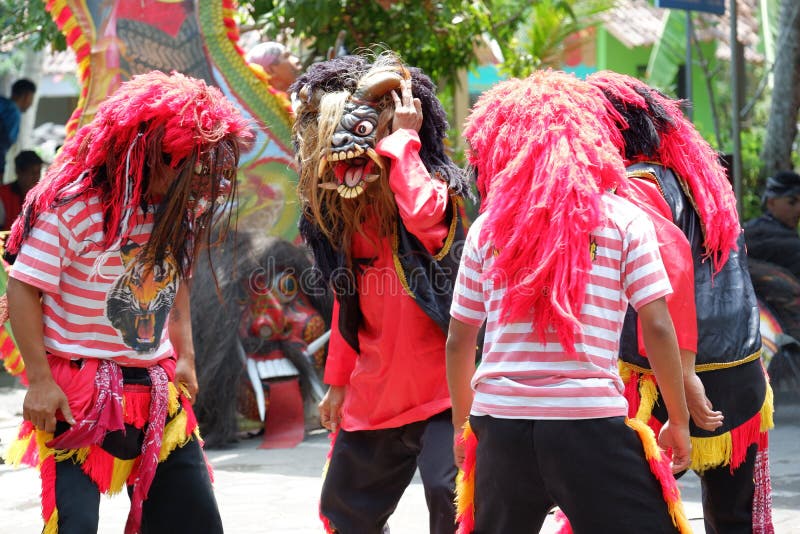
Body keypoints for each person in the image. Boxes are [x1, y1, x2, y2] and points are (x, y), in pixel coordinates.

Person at [3, 70, 251, 534]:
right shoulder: (72, 206)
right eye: (186, 166)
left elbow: (175, 283)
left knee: (196, 522)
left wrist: (186, 357)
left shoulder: (177, 212)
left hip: (158, 394)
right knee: (74, 526)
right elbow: (23, 286)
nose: (198, 183)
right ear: (144, 152)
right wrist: (38, 380)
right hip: (77, 395)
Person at [446, 70, 692, 534]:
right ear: (593, 136)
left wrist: (464, 425)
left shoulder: (486, 228)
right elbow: (657, 326)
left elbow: (460, 340)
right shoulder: (623, 220)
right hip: (589, 424)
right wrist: (677, 420)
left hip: (499, 422)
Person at [587, 70, 774, 534]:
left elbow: (672, 274)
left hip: (669, 380)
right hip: (740, 369)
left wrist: (685, 375)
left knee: (634, 511)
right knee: (732, 518)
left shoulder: (636, 182)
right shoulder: (700, 180)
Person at [292, 52, 471, 534]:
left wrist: (405, 142)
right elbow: (348, 307)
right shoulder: (348, 222)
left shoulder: (439, 190)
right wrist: (337, 383)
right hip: (377, 395)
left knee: (452, 498)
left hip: (446, 394)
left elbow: (425, 218)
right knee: (344, 511)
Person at [0, 79, 37, 179]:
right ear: (27, 96)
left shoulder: (2, 103)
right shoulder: (13, 111)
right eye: (32, 98)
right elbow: (3, 143)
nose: (31, 104)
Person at [0, 150, 43, 231]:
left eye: (38, 172)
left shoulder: (41, 197)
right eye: (32, 172)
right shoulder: (2, 195)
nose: (36, 177)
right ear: (18, 172)